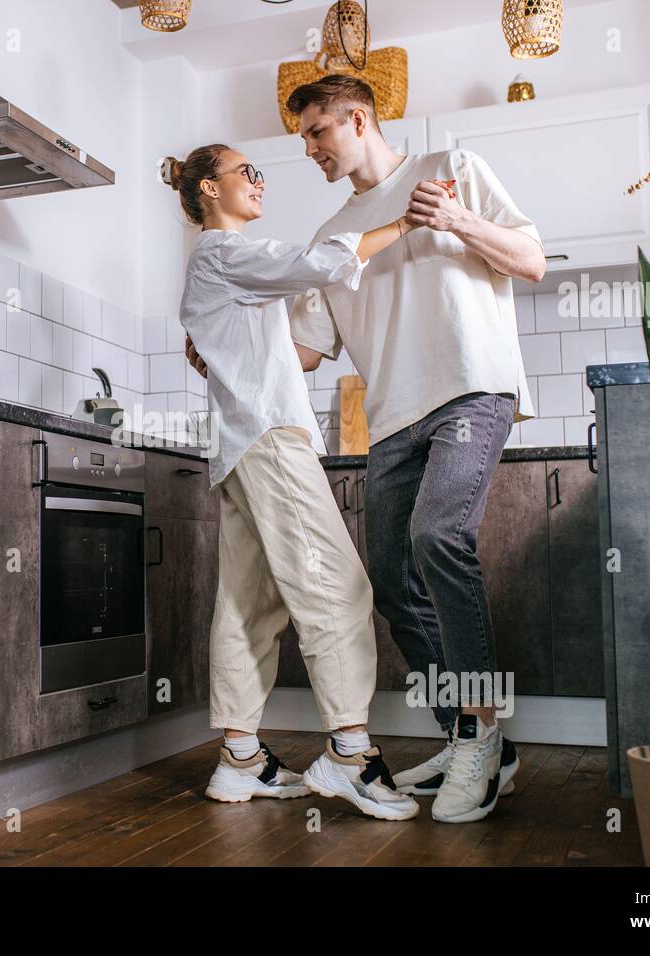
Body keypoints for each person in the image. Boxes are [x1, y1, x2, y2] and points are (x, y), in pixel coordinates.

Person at [186, 75, 545, 824]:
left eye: (317, 132)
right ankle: (466, 736)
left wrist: (457, 220)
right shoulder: (328, 237)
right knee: (388, 580)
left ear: (357, 118)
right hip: (392, 420)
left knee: (437, 535)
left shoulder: (450, 168)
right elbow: (308, 351)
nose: (309, 150)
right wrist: (220, 348)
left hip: (472, 388)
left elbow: (531, 260)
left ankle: (480, 732)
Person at [164, 144, 456, 821]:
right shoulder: (223, 252)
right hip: (271, 441)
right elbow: (318, 263)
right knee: (341, 589)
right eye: (248, 172)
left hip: (241, 446)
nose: (259, 182)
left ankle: (240, 760)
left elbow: (271, 344)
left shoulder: (216, 266)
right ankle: (351, 755)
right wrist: (409, 222)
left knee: (249, 604)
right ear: (210, 188)